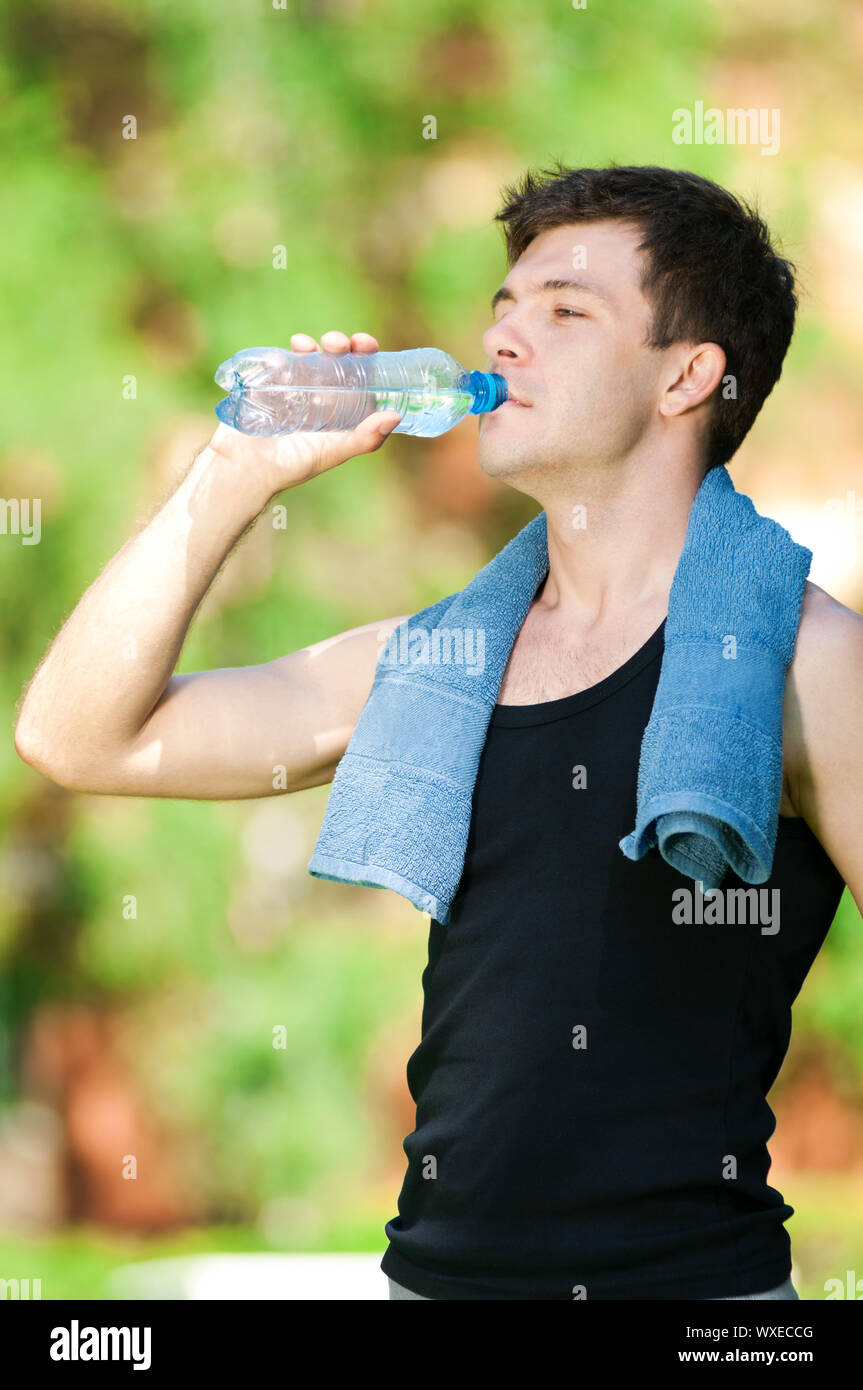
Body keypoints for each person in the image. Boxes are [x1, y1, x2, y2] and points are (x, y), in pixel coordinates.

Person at [14, 164, 863, 1301]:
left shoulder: (801, 661)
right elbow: (78, 738)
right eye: (502, 308)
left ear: (687, 376)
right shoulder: (429, 663)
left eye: (564, 310)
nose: (504, 338)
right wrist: (236, 471)